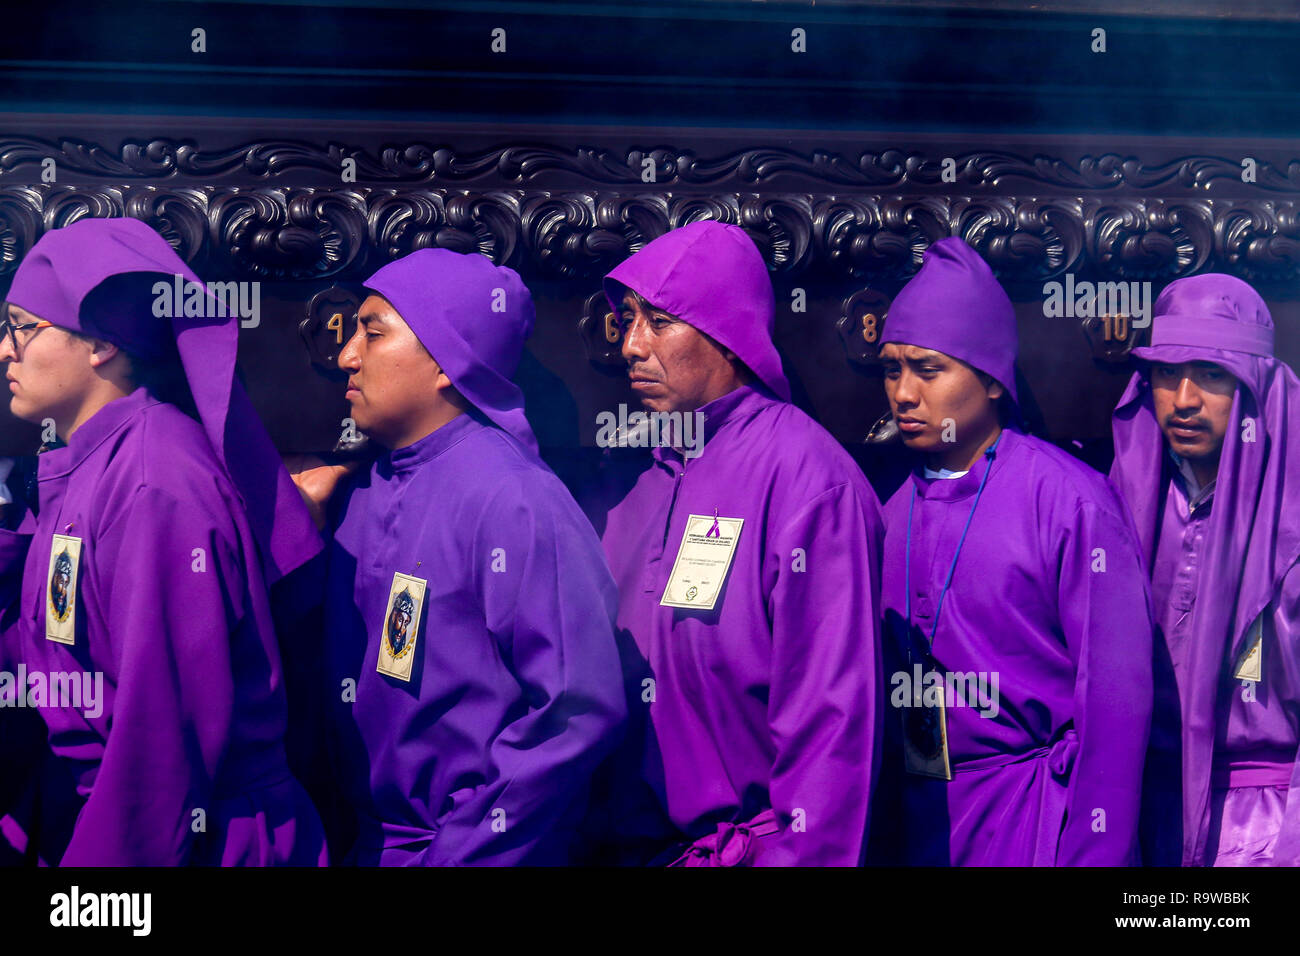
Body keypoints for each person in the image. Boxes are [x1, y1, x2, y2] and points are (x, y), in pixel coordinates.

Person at [0, 217, 326, 865]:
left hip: (190, 839)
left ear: (101, 344)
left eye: (20, 327)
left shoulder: (156, 480)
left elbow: (163, 729)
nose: (4, 350)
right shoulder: (89, 465)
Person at [297, 247, 626, 865]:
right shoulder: (366, 489)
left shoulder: (514, 499)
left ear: (447, 362)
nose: (346, 356)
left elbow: (577, 711)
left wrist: (460, 852)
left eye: (373, 333)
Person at [590, 220, 885, 866]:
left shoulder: (810, 481)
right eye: (629, 319)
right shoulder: (634, 479)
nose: (632, 345)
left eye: (659, 321)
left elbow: (832, 735)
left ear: (726, 333)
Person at [875, 237, 1153, 865]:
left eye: (928, 368)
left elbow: (1116, 705)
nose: (903, 394)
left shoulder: (1070, 502)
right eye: (892, 369)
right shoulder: (883, 513)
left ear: (993, 380)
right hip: (922, 823)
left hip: (1036, 821)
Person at [1110, 274, 1300, 867]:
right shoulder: (1115, 507)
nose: (1184, 398)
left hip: (1265, 828)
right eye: (1166, 374)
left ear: (1257, 390)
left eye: (1212, 374)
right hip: (1143, 818)